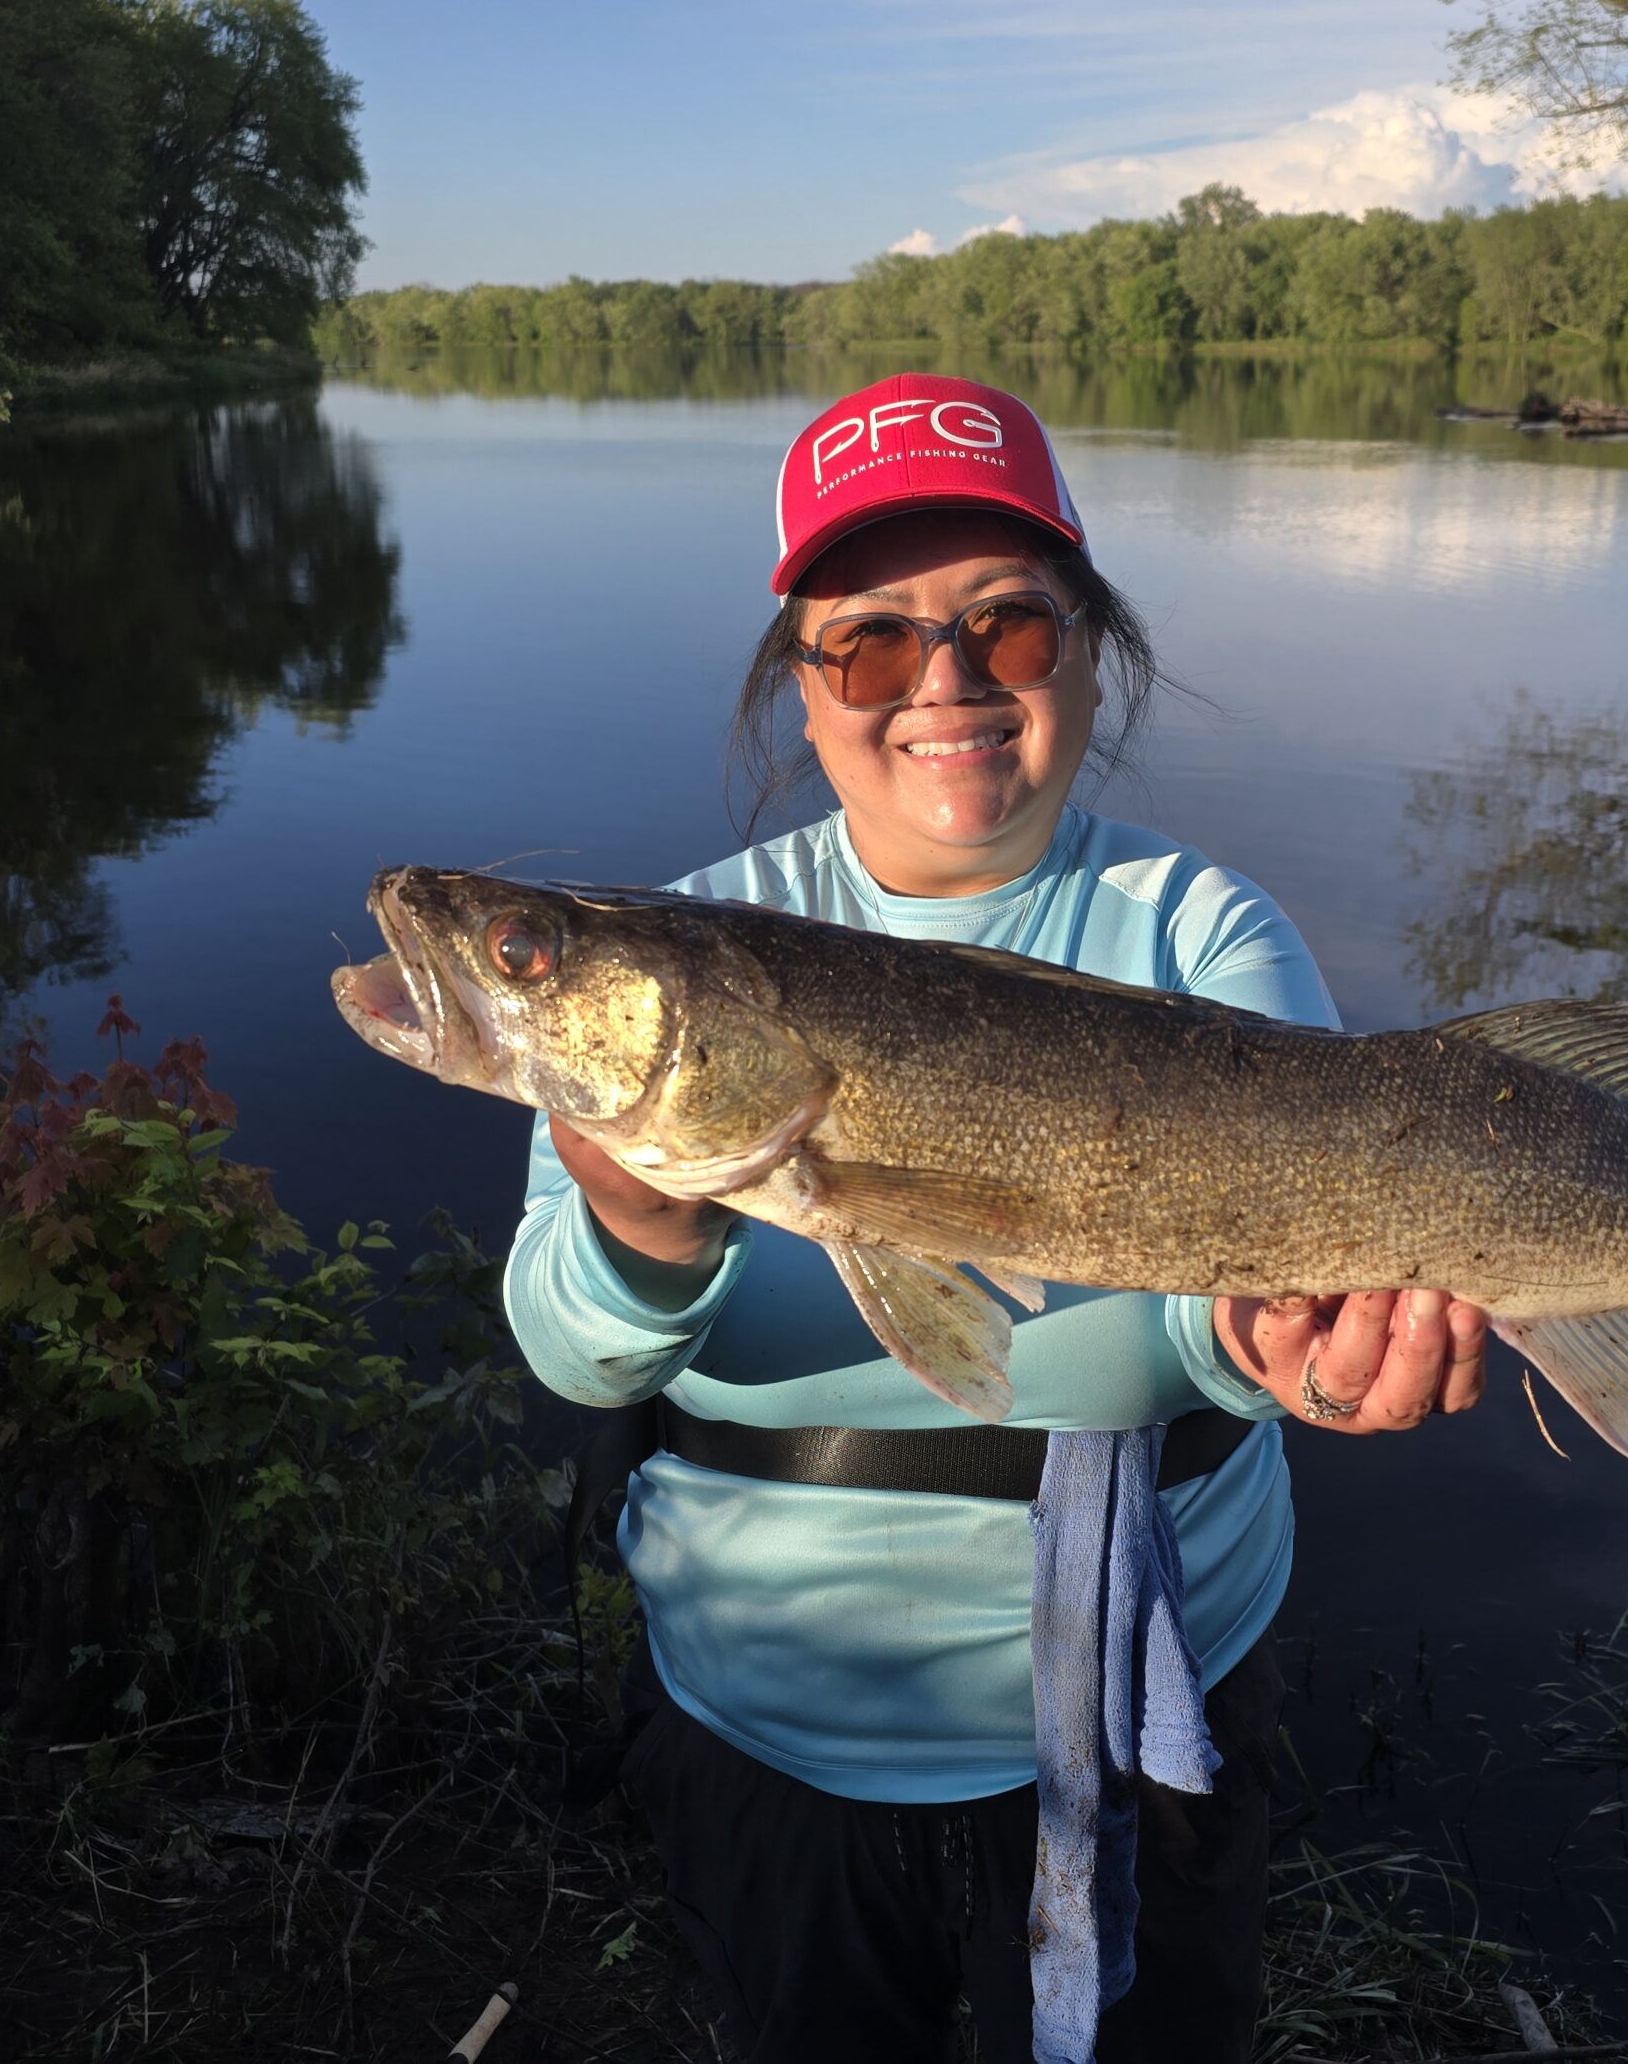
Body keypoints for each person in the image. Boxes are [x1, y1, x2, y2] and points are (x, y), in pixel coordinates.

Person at [503, 373, 1492, 2063]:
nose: (944, 686)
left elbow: (1261, 1281)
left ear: (1088, 651)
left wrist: (1279, 1350)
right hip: (770, 1724)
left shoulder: (1195, 923)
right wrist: (639, 1222)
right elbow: (572, 1347)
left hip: (1139, 1720)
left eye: (1008, 630)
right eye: (871, 644)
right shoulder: (680, 956)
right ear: (802, 689)